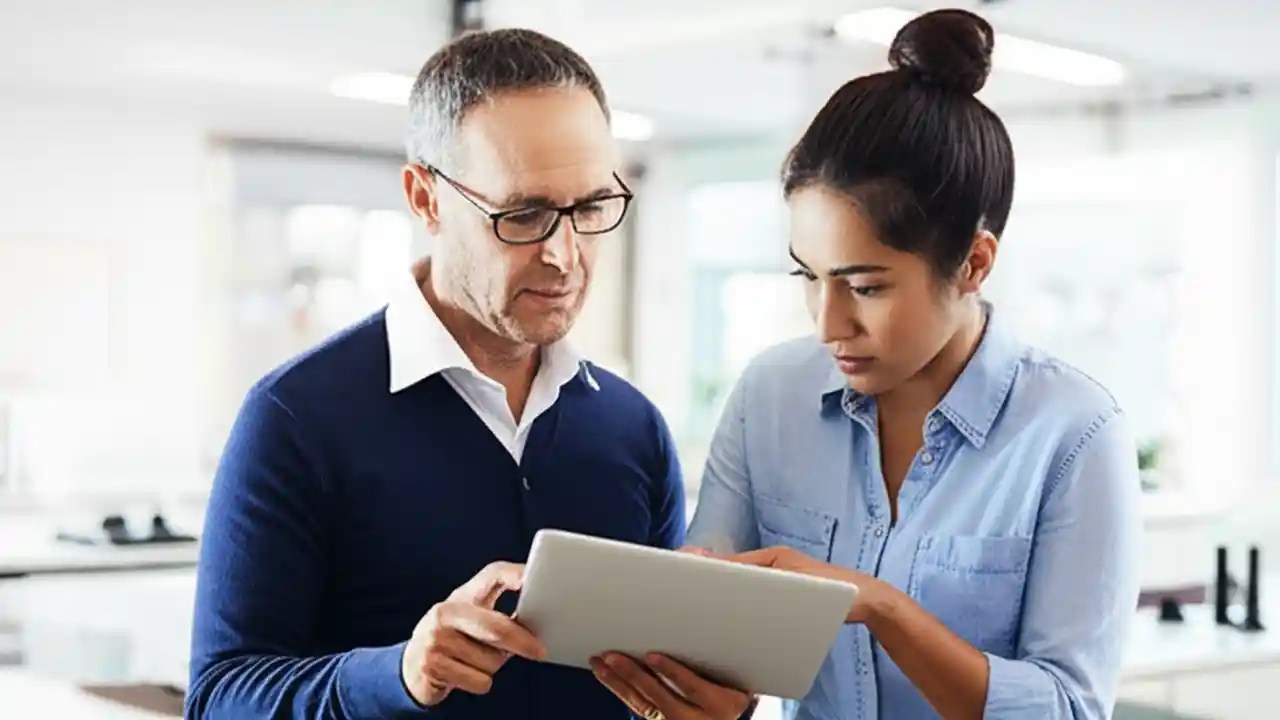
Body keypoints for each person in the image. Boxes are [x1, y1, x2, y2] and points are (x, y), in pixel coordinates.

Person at [591, 9, 1140, 720]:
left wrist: (878, 607)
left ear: (974, 263)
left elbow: (1070, 708)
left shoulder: (1074, 435)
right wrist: (689, 688)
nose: (828, 323)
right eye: (807, 277)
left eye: (866, 286)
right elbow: (710, 632)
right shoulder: (770, 396)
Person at [186, 29, 687, 719]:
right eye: (525, 215)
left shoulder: (633, 427)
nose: (564, 256)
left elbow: (660, 683)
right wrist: (400, 674)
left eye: (591, 208)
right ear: (425, 199)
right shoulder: (297, 417)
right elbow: (219, 699)